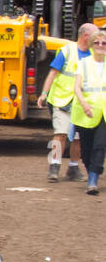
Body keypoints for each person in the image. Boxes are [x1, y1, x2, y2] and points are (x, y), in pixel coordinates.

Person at [38, 23, 97, 181]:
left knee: (77, 138)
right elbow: (52, 74)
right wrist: (44, 93)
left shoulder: (93, 54)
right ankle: (55, 167)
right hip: (61, 99)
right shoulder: (67, 51)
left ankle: (73, 168)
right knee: (60, 135)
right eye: (94, 36)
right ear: (85, 36)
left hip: (81, 103)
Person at [71, 29, 106, 195]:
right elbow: (77, 87)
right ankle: (90, 168)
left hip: (104, 113)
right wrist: (84, 104)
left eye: (103, 43)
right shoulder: (84, 63)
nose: (100, 46)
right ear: (91, 45)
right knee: (86, 149)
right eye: (97, 43)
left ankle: (93, 181)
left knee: (100, 146)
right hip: (86, 112)